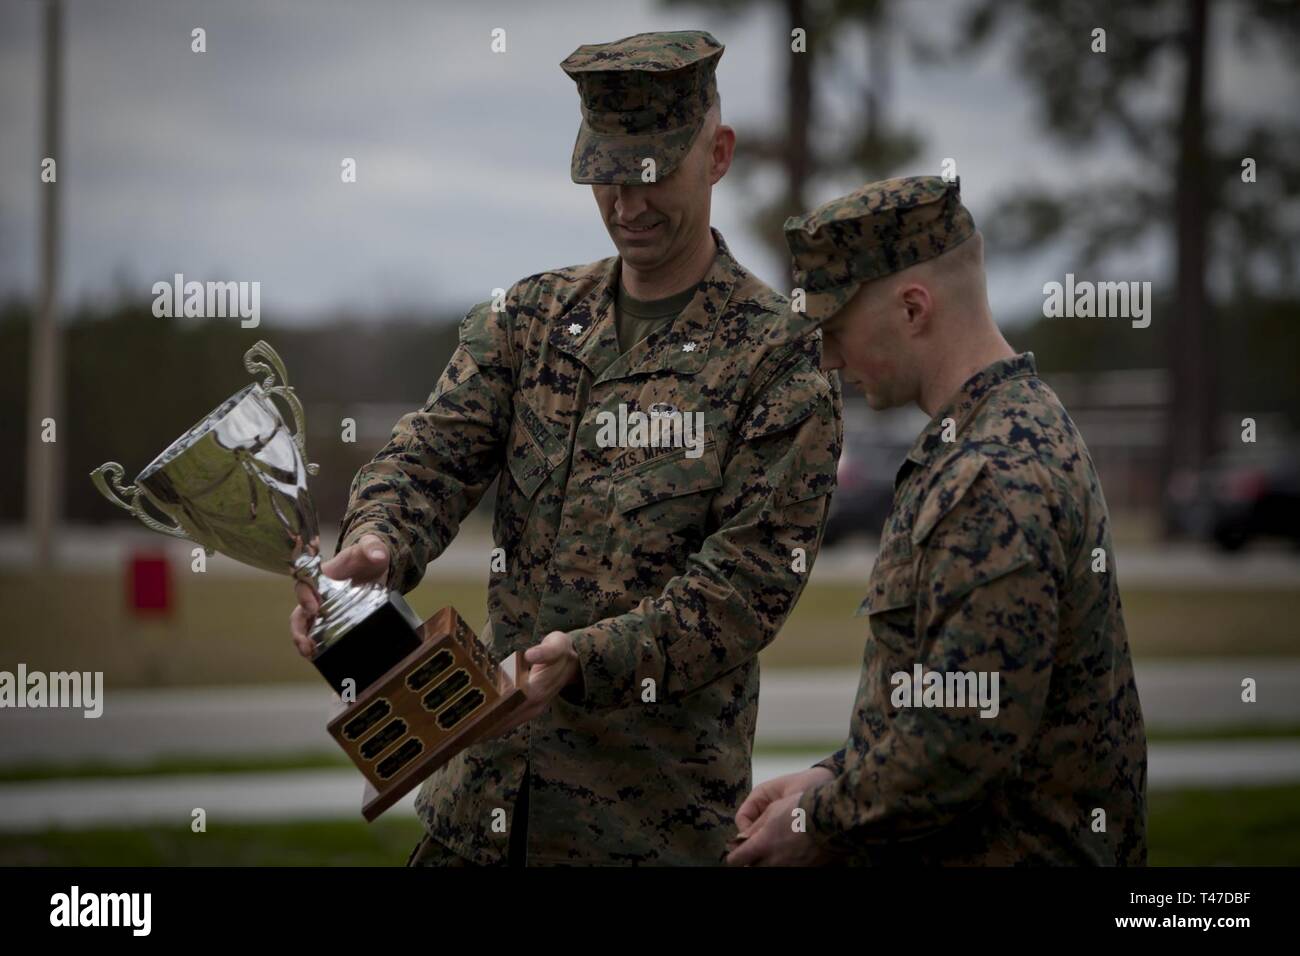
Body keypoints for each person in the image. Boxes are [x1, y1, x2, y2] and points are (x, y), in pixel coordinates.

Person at [289, 30, 841, 866]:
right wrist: (376, 544)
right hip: (481, 813)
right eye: (606, 176)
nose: (628, 204)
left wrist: (588, 659)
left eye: (652, 173)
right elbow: (429, 457)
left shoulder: (776, 359)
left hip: (645, 829)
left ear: (718, 154)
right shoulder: (531, 319)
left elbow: (747, 588)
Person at [729, 176, 1147, 865]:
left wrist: (820, 822)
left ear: (913, 308)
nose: (829, 358)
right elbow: (951, 691)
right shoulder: (1003, 431)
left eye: (836, 330)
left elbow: (964, 732)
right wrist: (835, 774)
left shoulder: (993, 474)